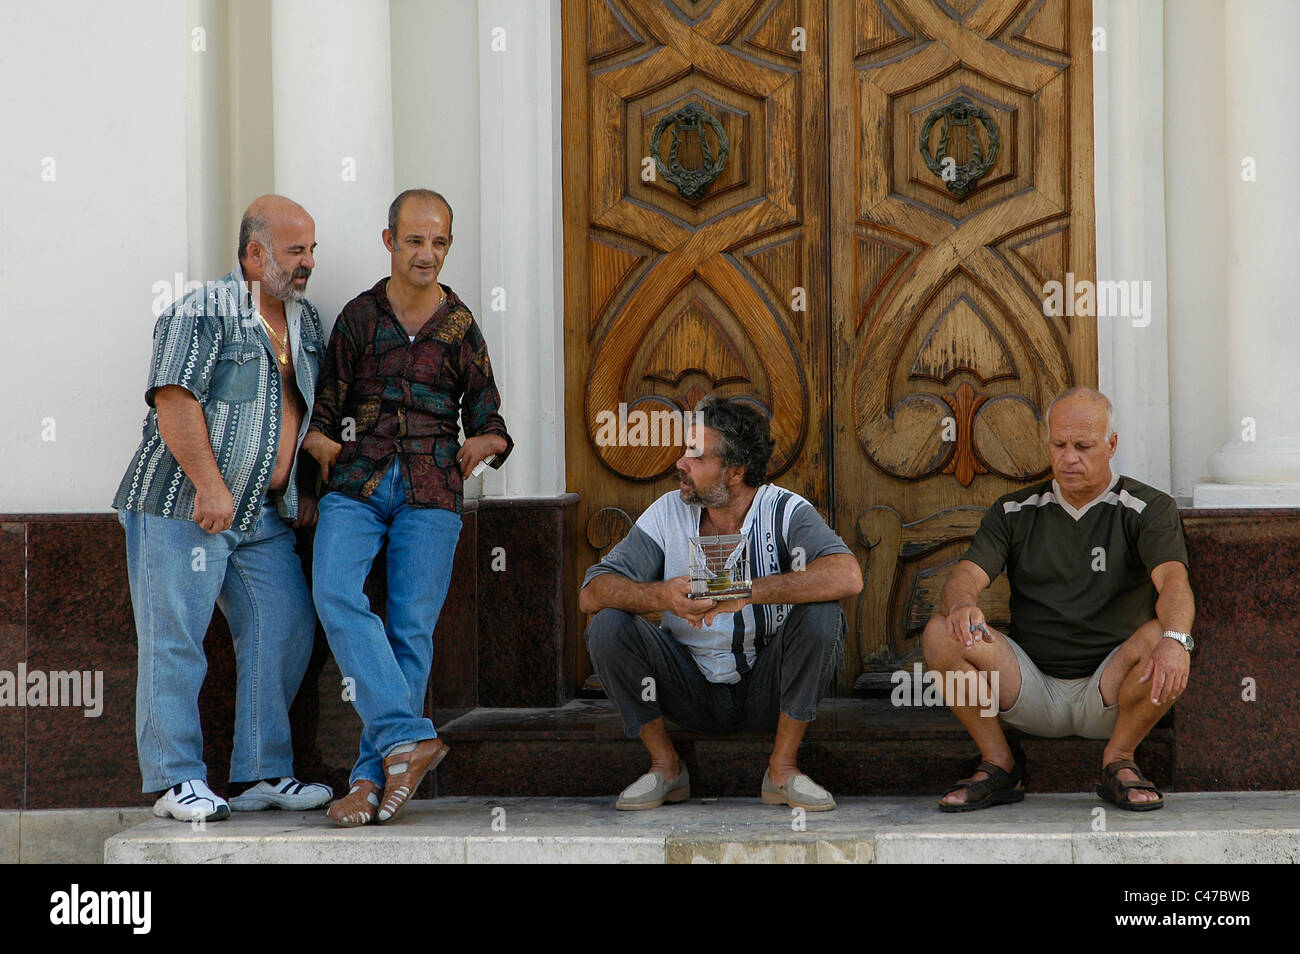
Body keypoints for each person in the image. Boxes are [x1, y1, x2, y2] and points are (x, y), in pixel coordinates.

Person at [114, 195, 333, 821]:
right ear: (254, 252)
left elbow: (297, 407)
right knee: (174, 640)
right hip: (185, 504)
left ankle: (263, 772)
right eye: (296, 252)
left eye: (312, 250)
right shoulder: (202, 310)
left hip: (262, 514)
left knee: (284, 625)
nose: (308, 263)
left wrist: (304, 488)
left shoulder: (306, 320)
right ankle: (174, 781)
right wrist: (211, 486)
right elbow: (174, 400)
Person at [305, 188, 512, 826]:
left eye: (440, 242)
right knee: (336, 593)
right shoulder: (359, 317)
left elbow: (491, 421)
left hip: (432, 491)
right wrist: (321, 446)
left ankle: (369, 780)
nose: (427, 254)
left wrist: (483, 443)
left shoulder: (460, 325)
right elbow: (321, 411)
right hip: (359, 484)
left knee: (409, 631)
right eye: (415, 240)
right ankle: (408, 736)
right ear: (389, 239)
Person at [580, 396, 863, 811]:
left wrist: (745, 591)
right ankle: (666, 767)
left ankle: (782, 770)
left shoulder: (784, 510)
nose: (680, 463)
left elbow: (847, 575)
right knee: (606, 624)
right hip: (687, 688)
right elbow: (592, 592)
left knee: (824, 613)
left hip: (767, 689)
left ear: (735, 471)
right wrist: (661, 596)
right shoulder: (667, 512)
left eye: (695, 455)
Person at [923, 386, 1195, 812]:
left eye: (1083, 446)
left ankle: (1119, 759)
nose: (1069, 457)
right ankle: (999, 765)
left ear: (1112, 445)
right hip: (1028, 687)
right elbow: (966, 574)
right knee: (941, 632)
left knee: (1167, 634)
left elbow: (1174, 583)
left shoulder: (1147, 508)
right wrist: (961, 605)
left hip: (1112, 689)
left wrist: (1177, 640)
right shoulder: (1015, 510)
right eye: (1059, 444)